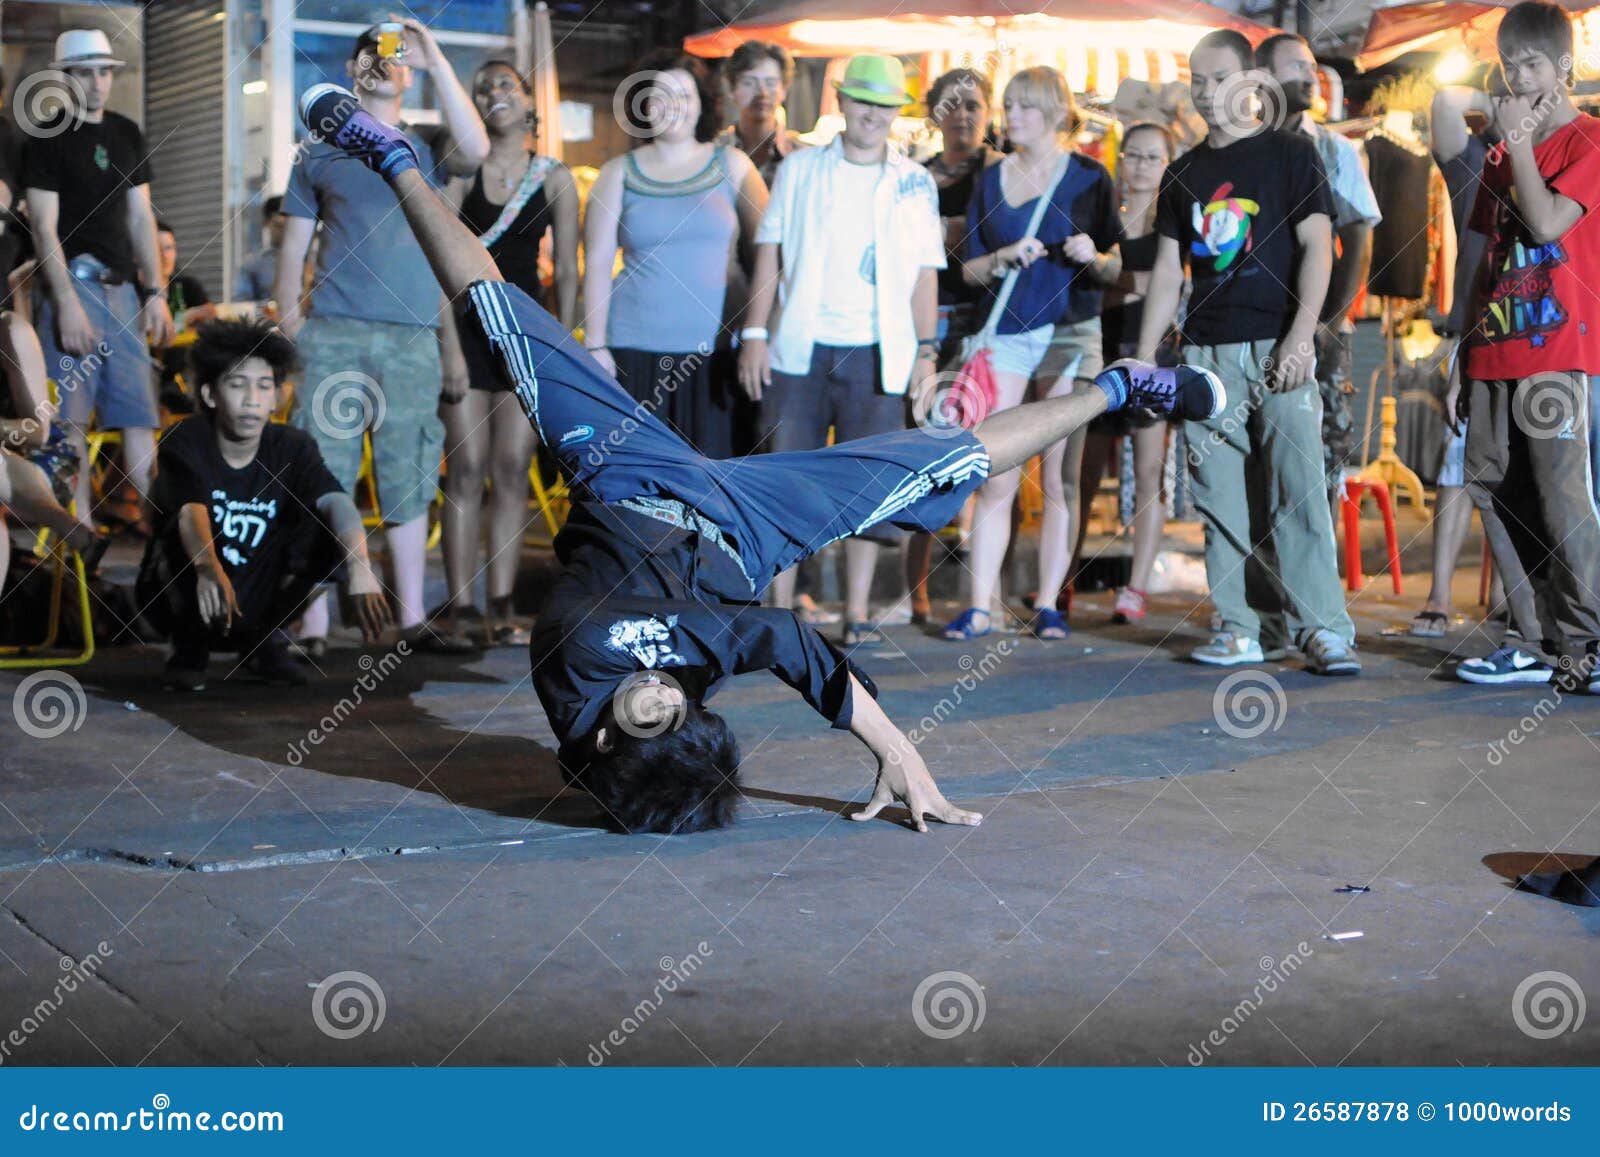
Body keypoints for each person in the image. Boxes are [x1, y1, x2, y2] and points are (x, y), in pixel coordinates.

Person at [296, 79, 1227, 831]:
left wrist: (891, 749)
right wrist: (897, 753)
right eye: (681, 705)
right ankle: (1122, 389)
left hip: (629, 480)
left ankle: (393, 160)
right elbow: (777, 637)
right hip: (747, 531)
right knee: (935, 466)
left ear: (604, 744)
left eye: (648, 710)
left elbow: (767, 647)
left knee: (502, 316)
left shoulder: (586, 663)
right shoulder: (655, 742)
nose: (661, 691)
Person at [1135, 29, 1359, 675]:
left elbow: (1320, 246)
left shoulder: (1291, 154)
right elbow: (1168, 274)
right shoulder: (1182, 173)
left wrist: (1300, 336)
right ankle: (1241, 626)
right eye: (1197, 80)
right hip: (1206, 355)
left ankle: (1322, 628)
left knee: (1299, 493)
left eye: (1219, 78)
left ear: (1251, 82)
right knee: (1221, 500)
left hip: (1278, 347)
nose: (1207, 93)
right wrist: (1149, 359)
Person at [275, 18, 488, 657]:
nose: (385, 62)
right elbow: (293, 248)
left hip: (412, 332)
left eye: (397, 56)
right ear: (351, 68)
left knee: (410, 468)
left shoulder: (424, 148)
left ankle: (410, 617)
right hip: (333, 329)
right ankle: (312, 624)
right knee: (322, 470)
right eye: (373, 52)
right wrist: (292, 326)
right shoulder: (318, 150)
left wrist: (435, 53)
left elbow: (476, 149)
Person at [738, 54, 945, 647]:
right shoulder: (799, 170)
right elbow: (770, 252)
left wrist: (926, 352)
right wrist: (755, 333)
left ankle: (857, 612)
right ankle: (781, 610)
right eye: (863, 101)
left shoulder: (914, 180)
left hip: (880, 350)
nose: (873, 114)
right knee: (784, 480)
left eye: (885, 104)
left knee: (867, 489)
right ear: (842, 103)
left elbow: (926, 273)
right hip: (798, 346)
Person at [1448, 0, 1600, 693]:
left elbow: (1543, 225)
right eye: (1509, 66)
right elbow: (1482, 250)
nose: (1518, 78)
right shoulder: (1504, 152)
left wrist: (1519, 144)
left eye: (1532, 64)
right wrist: (1460, 342)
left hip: (1555, 350)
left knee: (1561, 498)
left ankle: (1588, 641)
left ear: (1565, 68)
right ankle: (1532, 636)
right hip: (1493, 346)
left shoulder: (1587, 144)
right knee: (1493, 487)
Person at [942, 66, 1119, 642]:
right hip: (1009, 335)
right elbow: (967, 269)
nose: (1010, 116)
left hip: (1070, 333)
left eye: (1024, 106)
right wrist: (1002, 257)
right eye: (1009, 106)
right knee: (996, 468)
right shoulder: (990, 181)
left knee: (1060, 471)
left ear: (1054, 111)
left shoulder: (1091, 177)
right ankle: (979, 606)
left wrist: (1094, 253)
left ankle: (1048, 603)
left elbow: (1119, 267)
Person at [136, 319, 391, 691]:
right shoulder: (186, 438)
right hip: (184, 587)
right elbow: (191, 512)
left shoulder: (292, 446)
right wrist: (207, 568)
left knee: (329, 531)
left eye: (263, 385)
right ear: (209, 395)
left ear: (277, 396)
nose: (252, 399)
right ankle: (190, 646)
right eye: (237, 385)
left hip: (255, 591)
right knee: (180, 529)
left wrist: (361, 566)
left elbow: (336, 500)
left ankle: (263, 641)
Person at [436, 59, 579, 646]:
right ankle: (460, 606)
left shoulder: (554, 177)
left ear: (528, 105)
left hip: (524, 333)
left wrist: (564, 350)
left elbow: (568, 270)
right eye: (482, 87)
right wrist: (448, 348)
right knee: (465, 467)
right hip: (467, 327)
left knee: (511, 469)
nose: (493, 93)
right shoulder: (460, 172)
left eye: (505, 86)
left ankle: (500, 604)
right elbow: (438, 262)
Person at [22, 29, 175, 524]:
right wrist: (65, 301)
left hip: (124, 288)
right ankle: (78, 538)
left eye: (105, 71)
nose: (97, 82)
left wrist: (156, 291)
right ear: (65, 78)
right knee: (69, 420)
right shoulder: (45, 138)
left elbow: (141, 218)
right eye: (85, 72)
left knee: (139, 415)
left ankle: (161, 539)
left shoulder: (127, 132)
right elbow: (44, 227)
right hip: (76, 285)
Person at [583, 51, 765, 461]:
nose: (673, 105)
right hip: (632, 354)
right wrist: (595, 346)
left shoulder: (733, 166)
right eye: (660, 94)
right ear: (643, 105)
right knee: (639, 489)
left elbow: (769, 256)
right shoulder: (618, 172)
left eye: (684, 93)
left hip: (716, 358)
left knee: (711, 489)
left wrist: (759, 332)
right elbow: (595, 263)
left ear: (702, 102)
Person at [1258, 33, 1381, 498]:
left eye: (1312, 66)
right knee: (1255, 456)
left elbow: (1359, 235)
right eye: (1296, 67)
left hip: (1317, 333)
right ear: (1263, 77)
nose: (1311, 75)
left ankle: (1318, 568)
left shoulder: (1334, 151)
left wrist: (1329, 322)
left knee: (1320, 460)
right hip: (1251, 326)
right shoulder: (1242, 147)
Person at [905, 67, 994, 626]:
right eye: (951, 104)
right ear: (933, 111)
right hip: (926, 329)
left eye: (973, 105)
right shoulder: (912, 175)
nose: (962, 115)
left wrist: (947, 229)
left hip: (985, 329)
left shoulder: (1003, 173)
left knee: (983, 458)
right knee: (921, 457)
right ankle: (915, 593)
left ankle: (981, 599)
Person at [1415, 80, 1501, 638]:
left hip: (1548, 343)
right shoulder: (1479, 163)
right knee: (1457, 468)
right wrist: (1497, 102)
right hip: (1475, 338)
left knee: (1530, 475)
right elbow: (1446, 103)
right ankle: (1441, 596)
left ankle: (1509, 601)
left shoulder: (1567, 158)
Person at [1090, 122, 1178, 625]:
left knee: (1148, 471)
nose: (1141, 165)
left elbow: (1164, 284)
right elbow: (1099, 288)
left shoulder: (1172, 221)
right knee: (1083, 467)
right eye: (1133, 155)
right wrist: (1133, 284)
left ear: (1168, 163)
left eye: (1152, 156)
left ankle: (1136, 587)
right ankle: (1059, 587)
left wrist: (1115, 277)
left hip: (1153, 353)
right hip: (1101, 348)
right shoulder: (1106, 219)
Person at [0, 311, 107, 593]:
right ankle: (73, 531)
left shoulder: (11, 331)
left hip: (47, 461)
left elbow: (38, 432)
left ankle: (66, 524)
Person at [716, 40, 807, 188]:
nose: (762, 93)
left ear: (783, 89)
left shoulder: (803, 157)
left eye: (771, 83)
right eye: (749, 82)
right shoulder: (712, 153)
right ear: (732, 89)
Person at [234, 195, 285, 302]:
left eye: (289, 226)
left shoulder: (313, 260)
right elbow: (242, 304)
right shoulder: (253, 264)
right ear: (266, 223)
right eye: (279, 225)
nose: (284, 232)